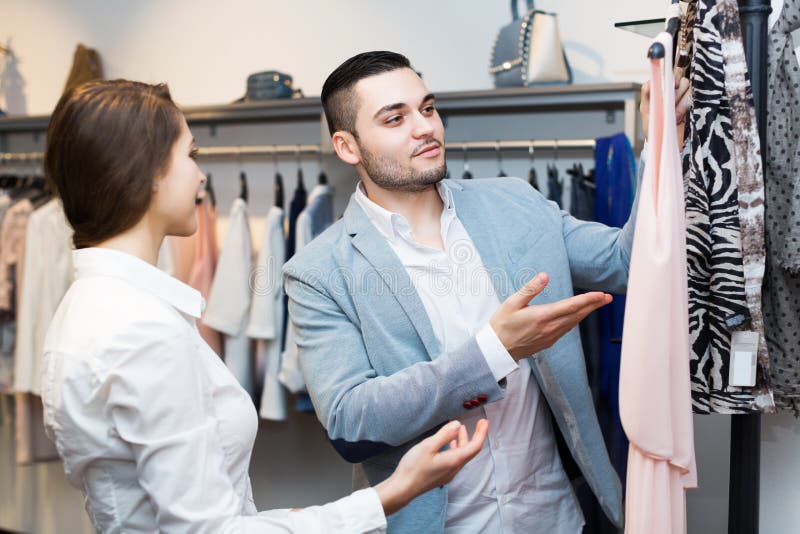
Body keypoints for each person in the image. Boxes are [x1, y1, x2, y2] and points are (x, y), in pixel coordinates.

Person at [39, 79, 489, 533]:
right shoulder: (137, 328)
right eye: (190, 155)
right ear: (148, 170)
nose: (200, 176)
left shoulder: (90, 308)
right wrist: (394, 492)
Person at [283, 51, 691, 533]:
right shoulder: (317, 271)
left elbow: (628, 263)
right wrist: (494, 351)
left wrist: (661, 141)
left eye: (428, 108)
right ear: (347, 147)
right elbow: (352, 420)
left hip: (555, 519)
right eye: (395, 118)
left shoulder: (515, 203)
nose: (424, 127)